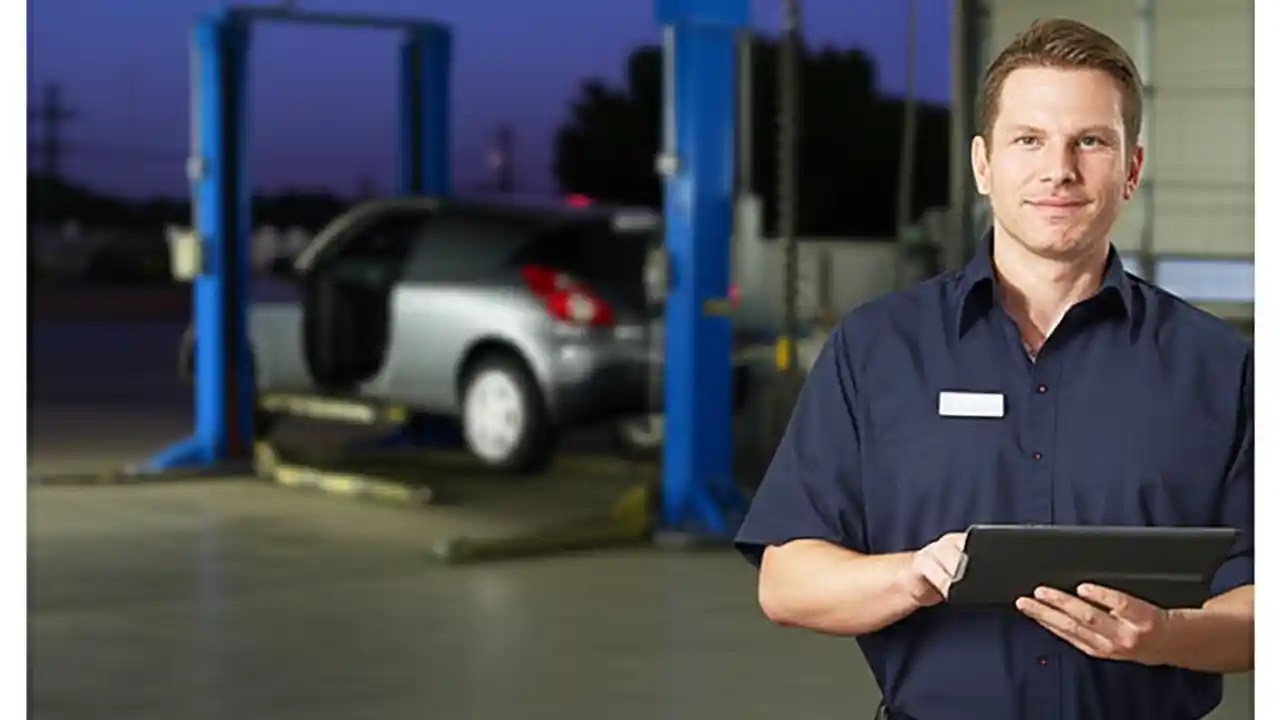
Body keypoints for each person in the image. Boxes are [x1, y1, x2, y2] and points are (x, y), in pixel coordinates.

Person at [733, 17, 1253, 720]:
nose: (1058, 170)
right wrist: (915, 574)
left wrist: (1169, 636)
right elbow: (787, 584)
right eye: (1028, 140)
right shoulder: (879, 350)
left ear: (1131, 169)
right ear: (983, 164)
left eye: (1091, 142)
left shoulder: (1219, 367)